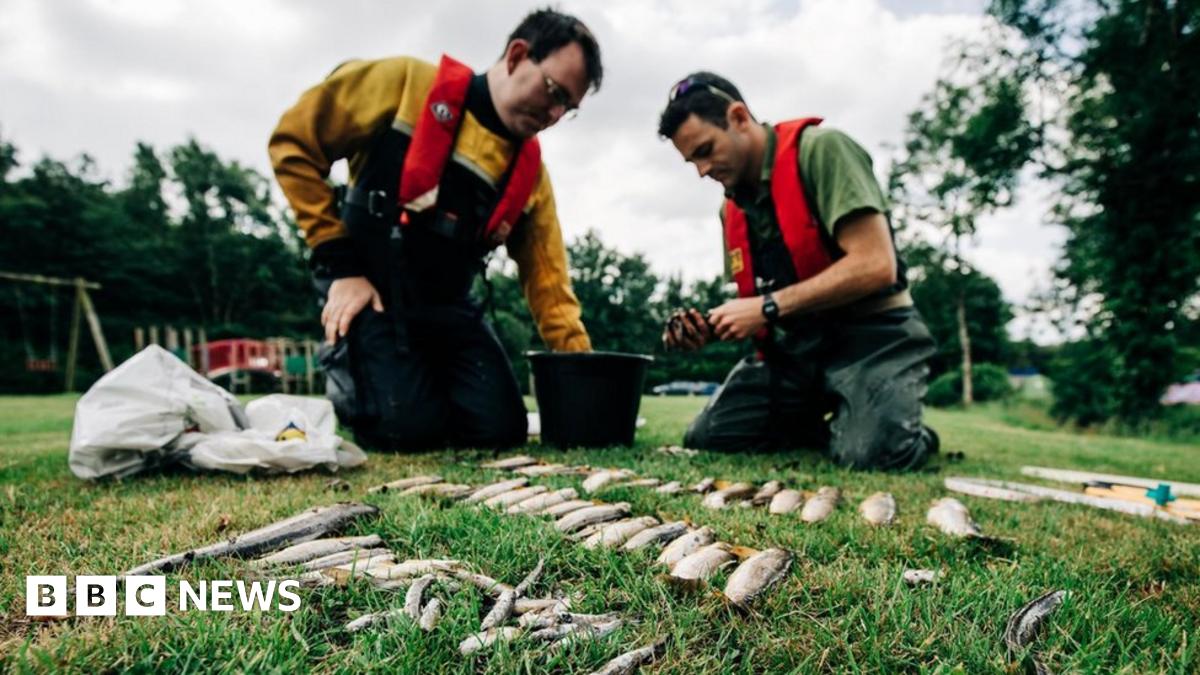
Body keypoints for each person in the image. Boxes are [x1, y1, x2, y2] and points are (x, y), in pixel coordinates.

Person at [268, 9, 601, 451]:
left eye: (569, 108)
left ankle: (411, 386)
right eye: (554, 91)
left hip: (448, 306)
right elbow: (294, 142)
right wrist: (341, 268)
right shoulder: (404, 82)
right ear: (519, 55)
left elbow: (549, 282)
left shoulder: (531, 175)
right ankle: (356, 376)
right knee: (404, 430)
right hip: (371, 290)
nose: (555, 113)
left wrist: (582, 371)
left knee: (500, 432)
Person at [657, 72, 938, 471]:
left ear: (738, 118)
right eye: (692, 161)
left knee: (870, 455)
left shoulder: (823, 151)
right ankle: (843, 420)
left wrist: (766, 308)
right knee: (709, 437)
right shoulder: (731, 209)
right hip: (797, 348)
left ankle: (896, 430)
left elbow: (876, 265)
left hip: (874, 337)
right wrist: (710, 327)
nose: (702, 170)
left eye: (706, 150)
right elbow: (753, 305)